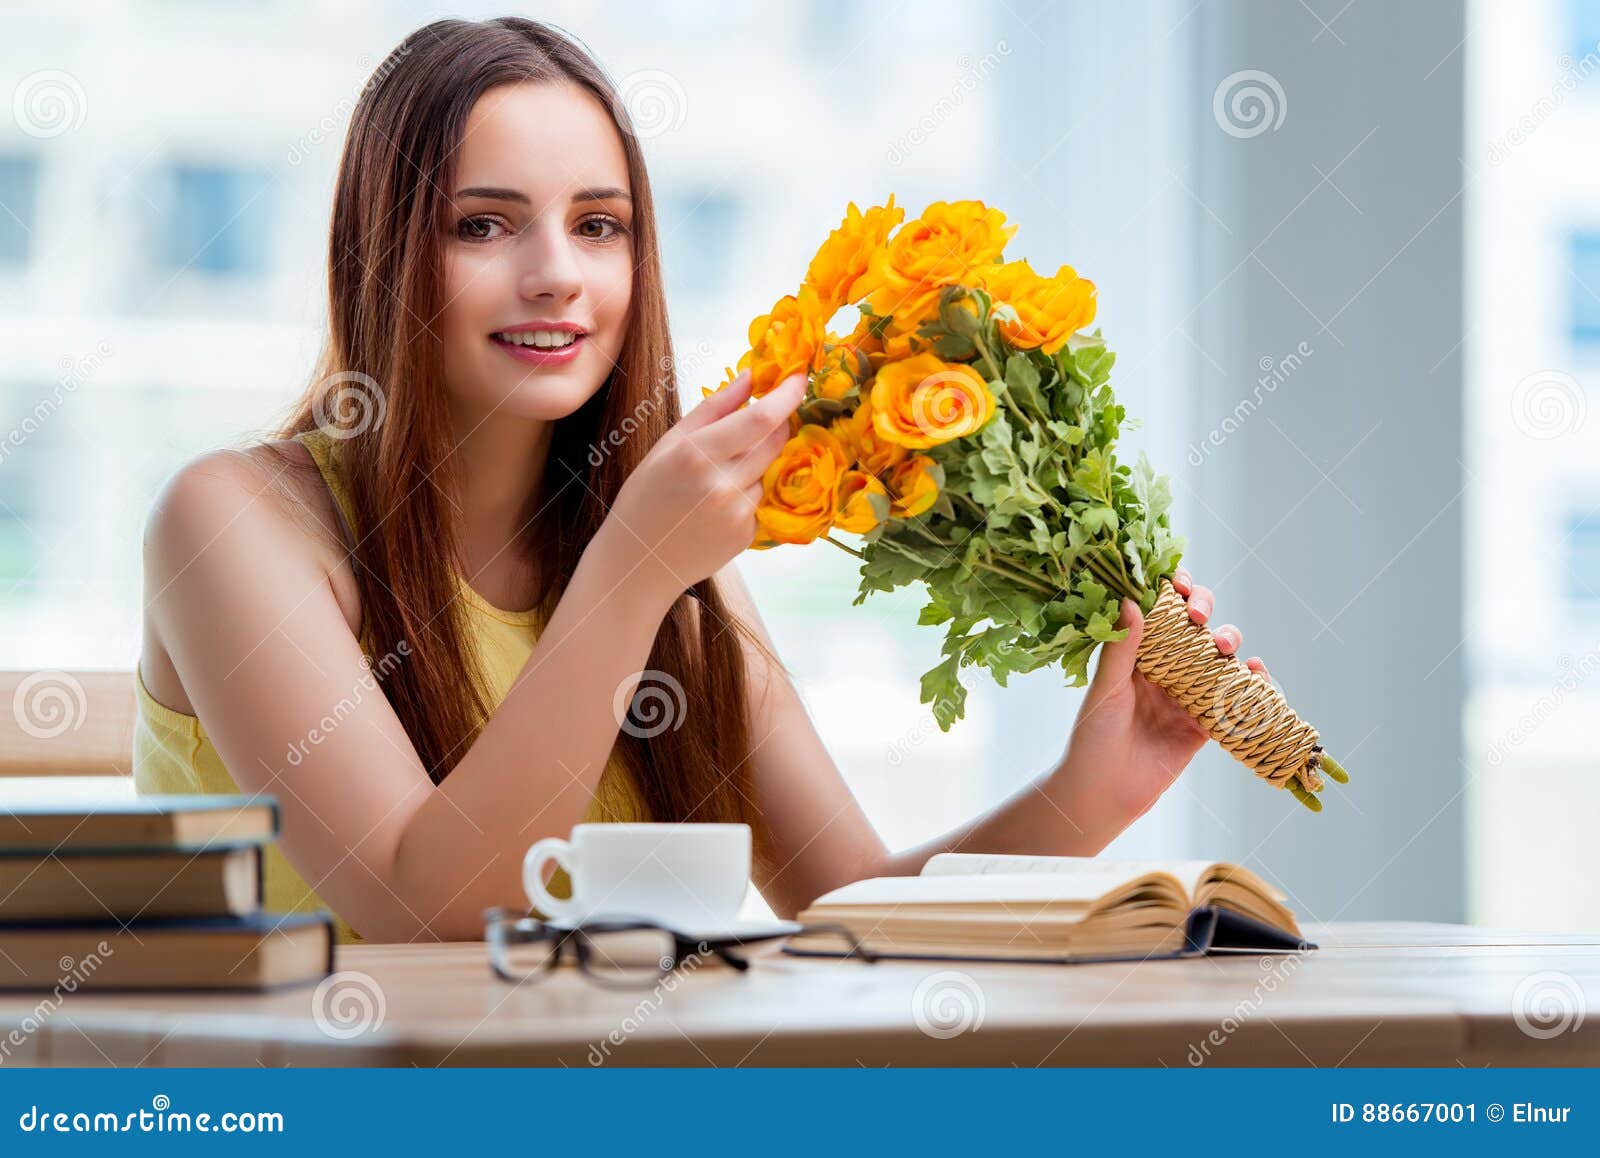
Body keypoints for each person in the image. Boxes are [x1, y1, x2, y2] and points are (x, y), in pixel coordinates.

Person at [134, 17, 1269, 944]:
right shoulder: (232, 523)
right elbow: (425, 913)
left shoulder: (661, 552)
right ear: (378, 252)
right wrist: (634, 570)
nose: (556, 275)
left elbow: (849, 912)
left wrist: (1091, 791)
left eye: (599, 226)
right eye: (483, 225)